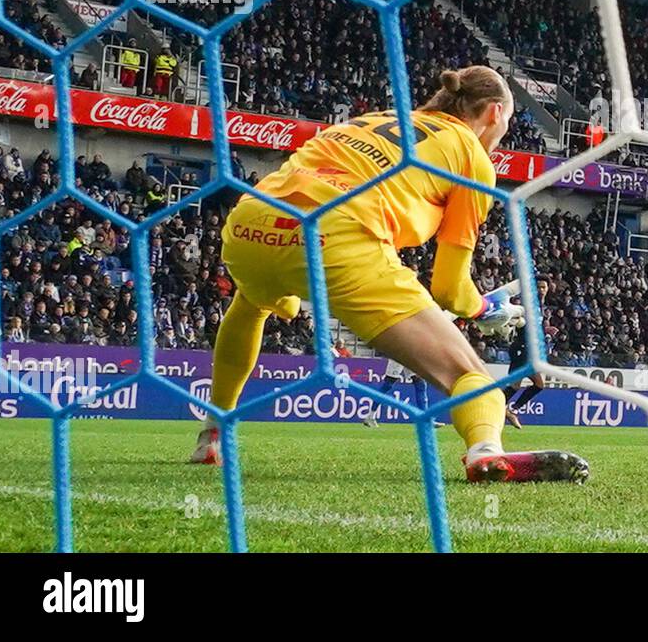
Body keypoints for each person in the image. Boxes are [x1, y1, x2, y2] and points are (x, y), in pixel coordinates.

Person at [190, 66, 588, 483]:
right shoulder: (470, 156)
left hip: (249, 224)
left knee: (250, 305)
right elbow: (450, 290)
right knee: (469, 375)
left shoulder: (376, 118)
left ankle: (212, 434)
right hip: (337, 239)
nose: (500, 135)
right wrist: (485, 308)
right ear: (493, 113)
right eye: (505, 124)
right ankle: (484, 451)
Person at [504, 277, 550, 429]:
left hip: (529, 351)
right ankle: (496, 408)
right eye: (539, 287)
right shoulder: (528, 304)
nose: (541, 290)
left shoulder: (540, 306)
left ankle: (511, 410)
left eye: (544, 287)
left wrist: (546, 332)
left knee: (539, 384)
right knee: (515, 385)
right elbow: (517, 320)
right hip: (521, 348)